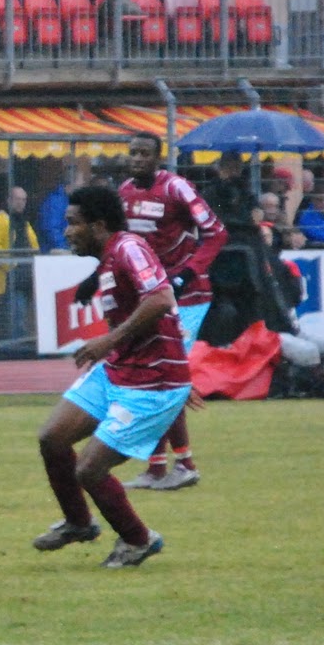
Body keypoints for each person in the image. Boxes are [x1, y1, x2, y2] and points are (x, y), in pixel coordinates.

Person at [32, 185, 182, 568]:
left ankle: (138, 539)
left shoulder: (129, 247)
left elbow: (162, 299)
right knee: (53, 438)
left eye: (72, 223)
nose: (65, 231)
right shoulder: (109, 254)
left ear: (98, 225)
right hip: (119, 368)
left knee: (90, 469)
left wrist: (109, 340)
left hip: (153, 380)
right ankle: (79, 523)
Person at [116, 133, 226, 490]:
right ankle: (160, 467)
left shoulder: (177, 188)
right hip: (152, 297)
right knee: (154, 377)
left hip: (188, 296)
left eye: (144, 153)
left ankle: (183, 464)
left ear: (158, 158)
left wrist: (190, 272)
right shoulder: (125, 193)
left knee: (164, 377)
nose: (137, 159)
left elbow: (216, 232)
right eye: (133, 152)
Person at [0, 185, 38, 340]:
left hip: (26, 276)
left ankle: (22, 340)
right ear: (9, 200)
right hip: (9, 278)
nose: (21, 203)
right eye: (17, 199)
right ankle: (15, 343)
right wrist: (11, 266)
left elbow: (33, 245)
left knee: (25, 312)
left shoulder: (24, 223)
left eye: (23, 199)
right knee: (16, 312)